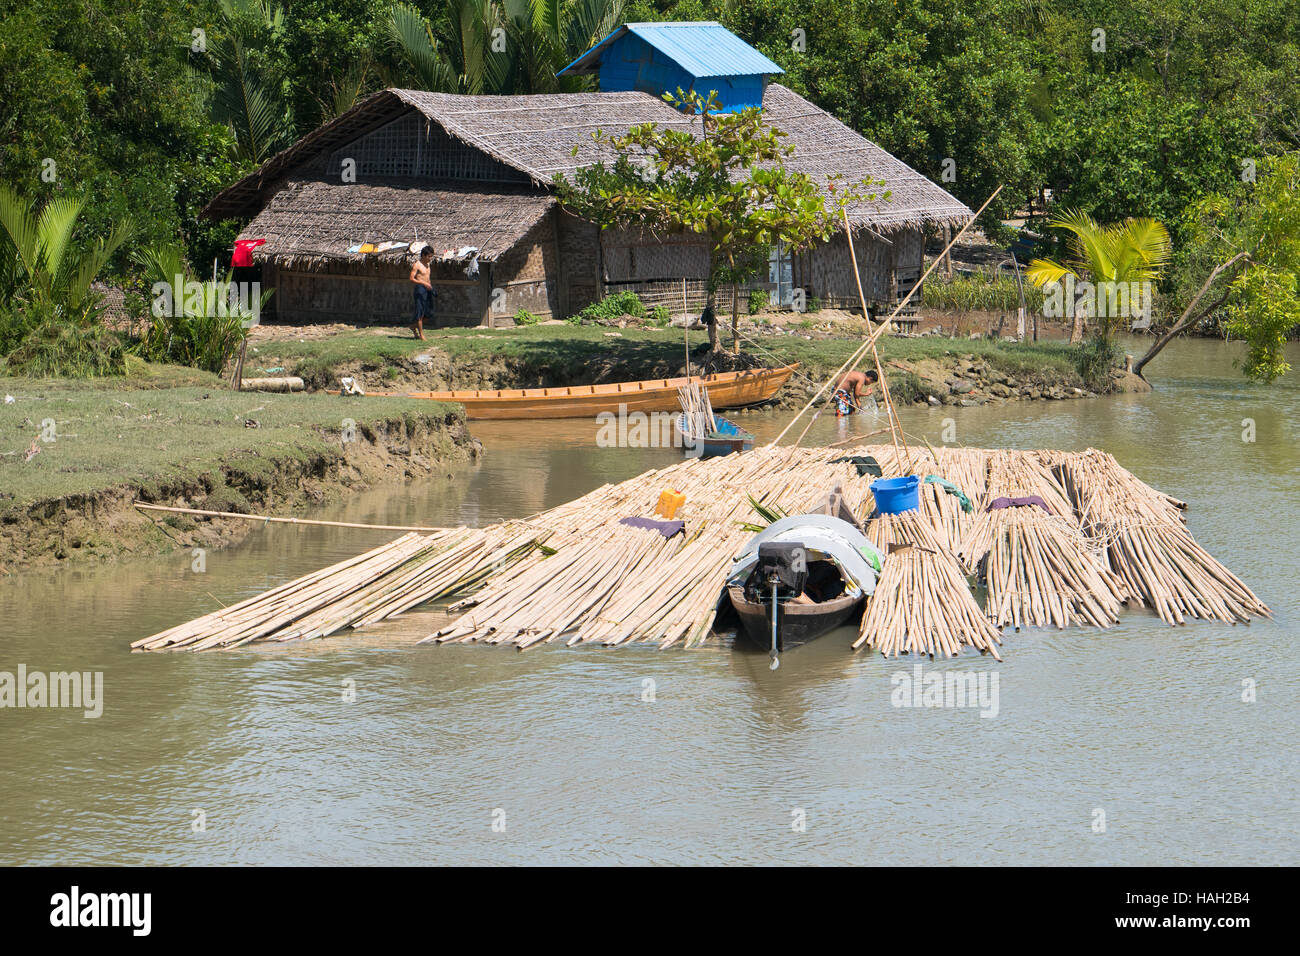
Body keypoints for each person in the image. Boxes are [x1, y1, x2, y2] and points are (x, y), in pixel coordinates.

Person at [409, 247, 436, 339]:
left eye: (431, 256)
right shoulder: (417, 265)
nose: (430, 258)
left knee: (429, 313)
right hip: (420, 289)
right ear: (423, 255)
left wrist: (430, 285)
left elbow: (427, 277)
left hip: (428, 289)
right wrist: (423, 283)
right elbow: (411, 278)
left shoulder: (428, 264)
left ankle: (413, 326)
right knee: (420, 313)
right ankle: (421, 335)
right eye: (429, 256)